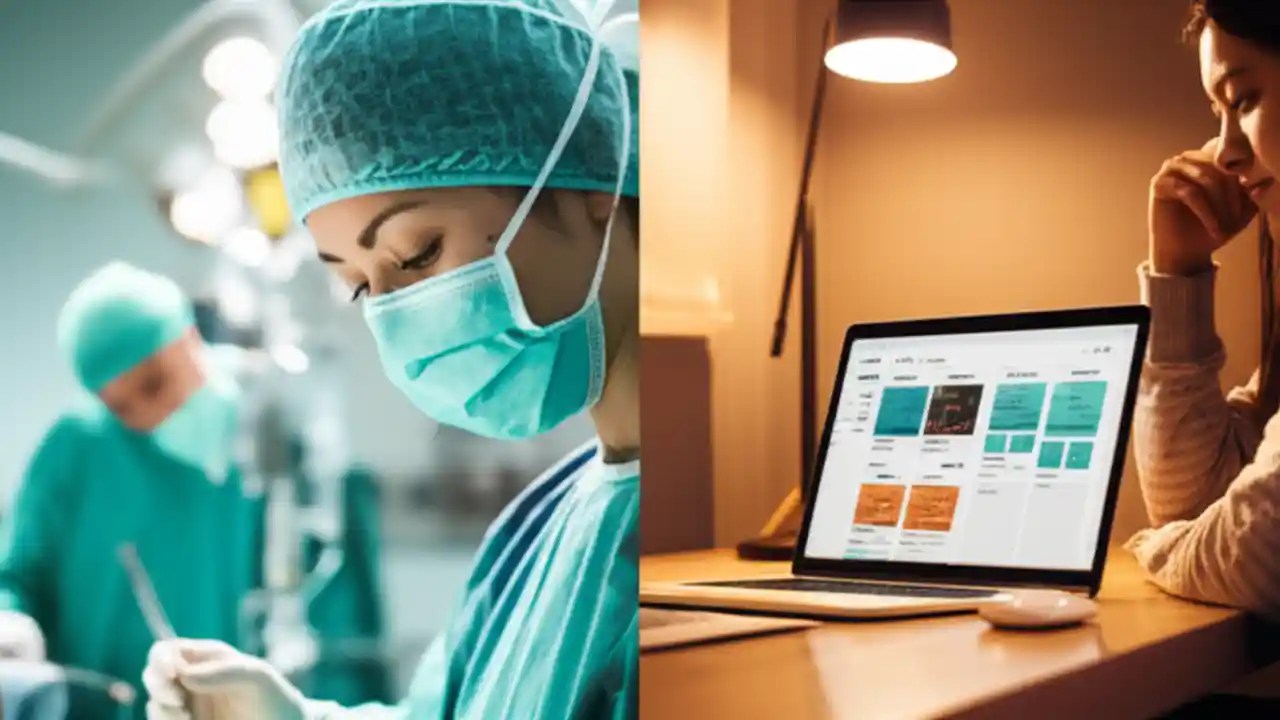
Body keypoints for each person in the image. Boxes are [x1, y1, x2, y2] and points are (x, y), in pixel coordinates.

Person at [142, 0, 640, 718]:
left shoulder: (686, 539)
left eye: (417, 253)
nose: (398, 315)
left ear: (587, 175)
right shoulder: (535, 531)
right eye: (358, 287)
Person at [0, 262, 391, 719]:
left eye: (154, 383)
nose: (149, 413)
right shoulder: (79, 446)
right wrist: (11, 622)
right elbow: (18, 572)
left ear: (187, 336)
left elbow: (340, 619)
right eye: (122, 407)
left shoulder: (275, 434)